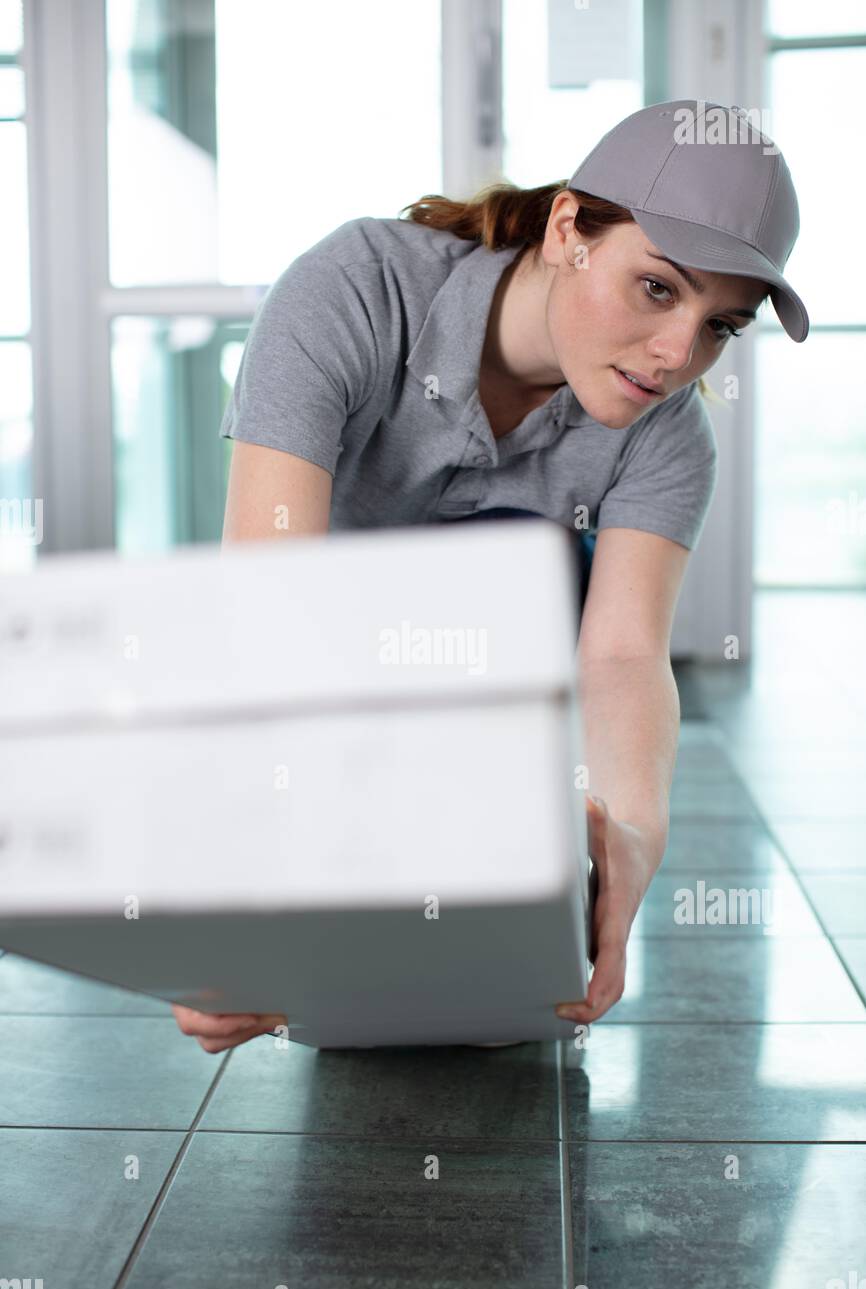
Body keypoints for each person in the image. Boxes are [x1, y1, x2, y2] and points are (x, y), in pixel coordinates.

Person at [172, 98, 809, 1053]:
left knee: (498, 1006)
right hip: (327, 657)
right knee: (343, 998)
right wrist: (241, 876)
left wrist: (631, 836)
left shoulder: (670, 436)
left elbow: (626, 656)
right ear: (567, 232)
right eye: (657, 289)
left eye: (723, 326)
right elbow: (270, 603)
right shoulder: (351, 293)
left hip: (500, 693)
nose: (680, 357)